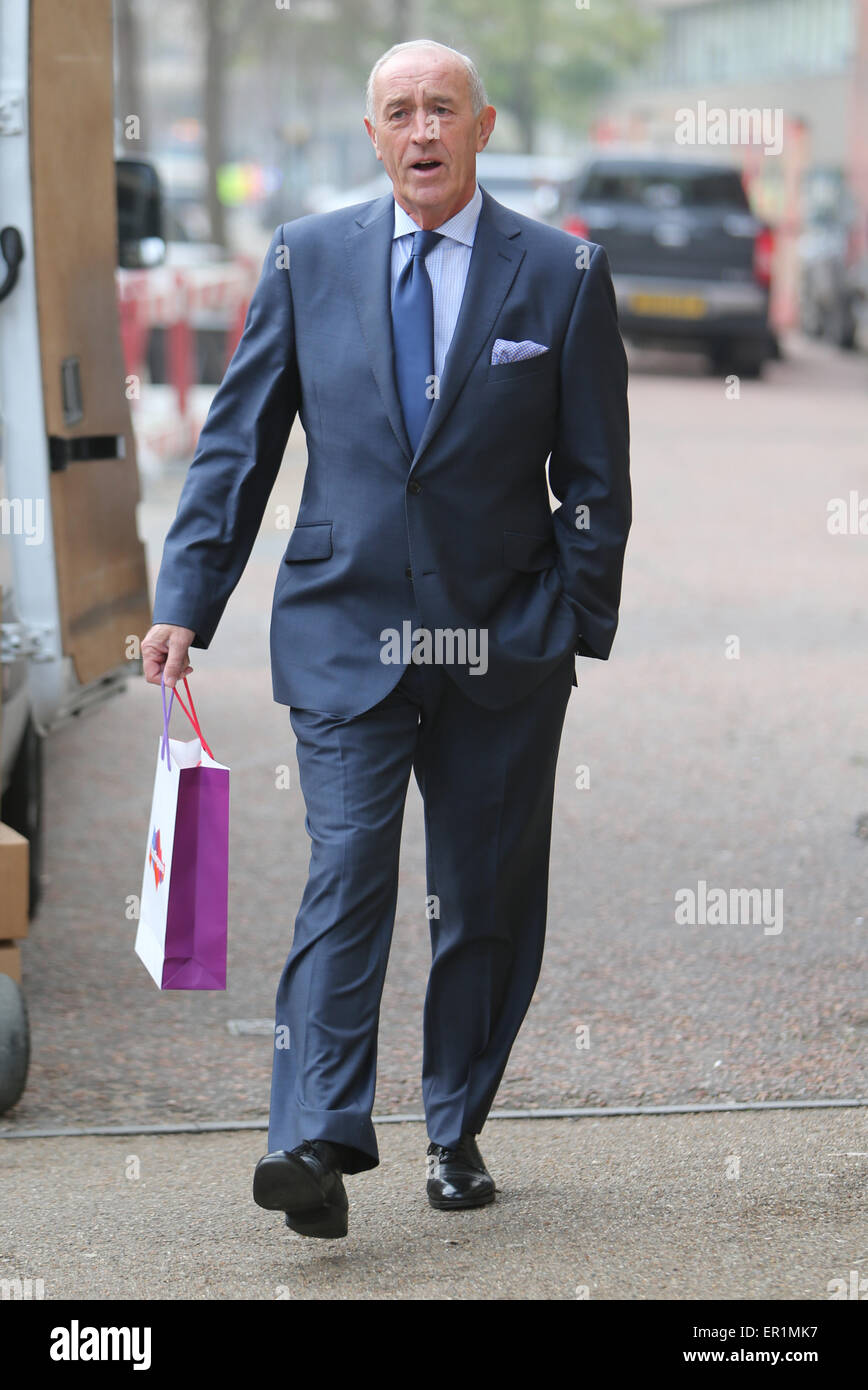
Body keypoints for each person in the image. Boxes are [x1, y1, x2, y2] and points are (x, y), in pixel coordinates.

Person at [141, 38, 631, 1239]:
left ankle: (454, 1125)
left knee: (481, 898)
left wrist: (567, 615)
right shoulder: (309, 257)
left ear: (482, 126)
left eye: (442, 110)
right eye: (400, 112)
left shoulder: (562, 273)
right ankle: (314, 1134)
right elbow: (238, 441)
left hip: (500, 644)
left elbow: (597, 477)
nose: (421, 131)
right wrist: (185, 597)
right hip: (344, 627)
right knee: (346, 871)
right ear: (373, 136)